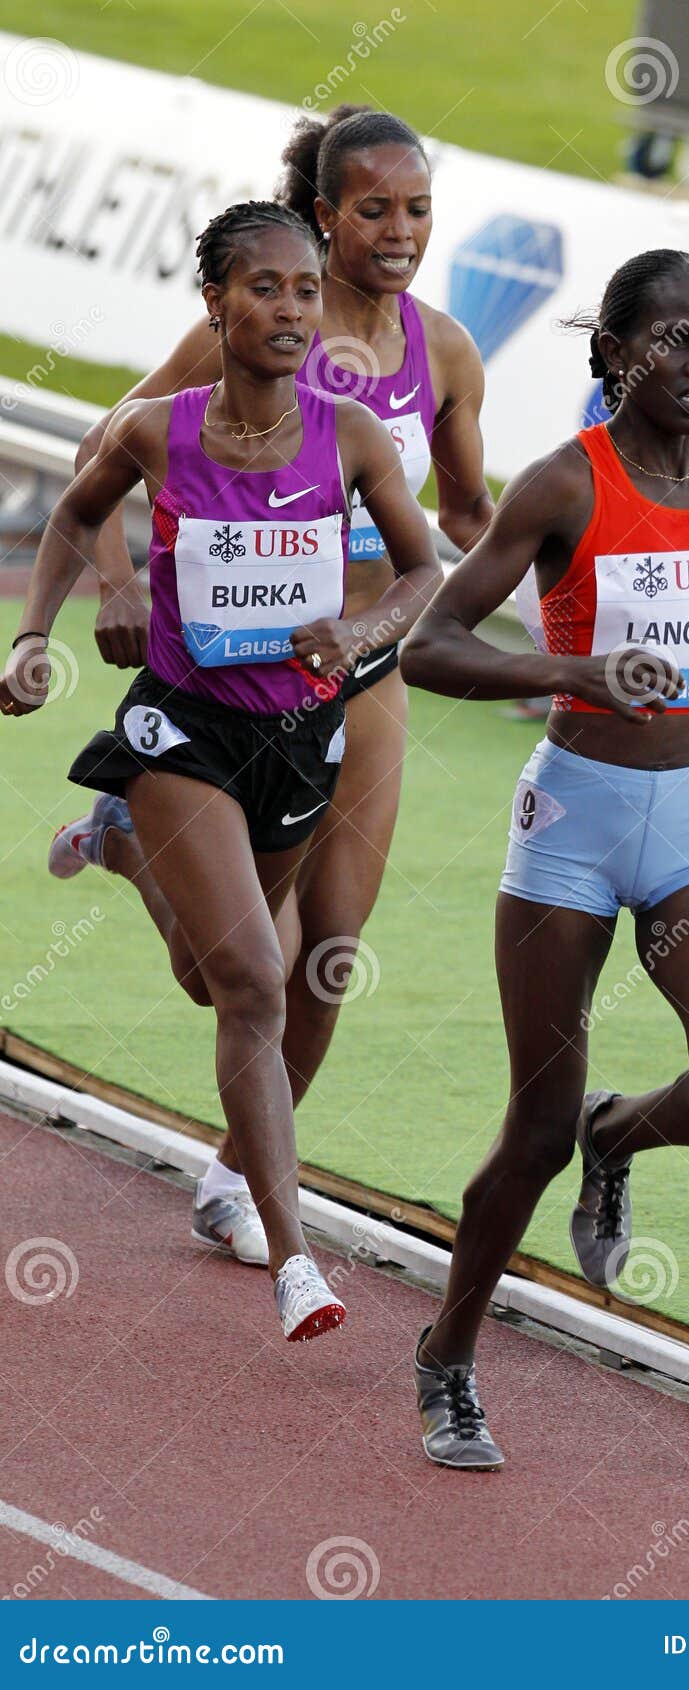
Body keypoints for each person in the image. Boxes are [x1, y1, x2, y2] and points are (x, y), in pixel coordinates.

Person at [56, 106, 493, 1259]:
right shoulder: (258, 318)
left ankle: (238, 1176)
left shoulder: (442, 352)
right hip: (219, 675)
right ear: (322, 216)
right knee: (230, 976)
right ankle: (128, 830)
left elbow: (460, 515)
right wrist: (116, 577)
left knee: (332, 950)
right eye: (374, 211)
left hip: (359, 667)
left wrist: (528, 560)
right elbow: (109, 449)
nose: (398, 234)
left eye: (417, 212)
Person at [3, 200, 442, 1340]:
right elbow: (70, 516)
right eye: (264, 289)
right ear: (216, 304)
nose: (290, 309)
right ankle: (296, 1256)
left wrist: (359, 637)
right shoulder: (158, 428)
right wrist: (61, 618)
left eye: (304, 291)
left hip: (300, 732)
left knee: (212, 981)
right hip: (181, 728)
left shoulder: (351, 439)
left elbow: (420, 572)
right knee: (254, 981)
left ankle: (112, 842)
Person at [399, 248, 689, 1468]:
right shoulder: (558, 489)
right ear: (616, 351)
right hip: (572, 823)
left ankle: (617, 1134)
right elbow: (430, 646)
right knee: (526, 1135)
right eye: (675, 341)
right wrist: (567, 671)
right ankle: (447, 1356)